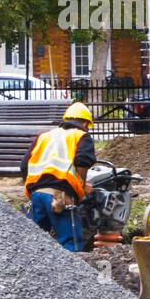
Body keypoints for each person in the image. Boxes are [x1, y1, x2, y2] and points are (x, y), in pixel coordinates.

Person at [20, 102, 97, 251]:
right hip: (60, 196)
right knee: (71, 243)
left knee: (34, 243)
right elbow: (82, 161)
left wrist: (33, 191)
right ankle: (74, 274)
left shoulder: (45, 136)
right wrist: (81, 186)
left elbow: (24, 165)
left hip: (36, 195)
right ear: (85, 123)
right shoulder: (81, 136)